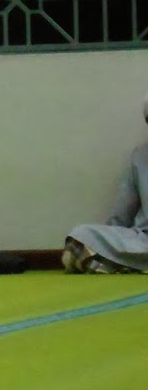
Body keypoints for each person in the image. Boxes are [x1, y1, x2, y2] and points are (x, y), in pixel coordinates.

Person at [63, 91, 148, 274]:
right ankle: (119, 262)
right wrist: (109, 240)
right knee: (80, 236)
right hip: (143, 241)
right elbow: (122, 213)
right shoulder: (140, 157)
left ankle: (116, 264)